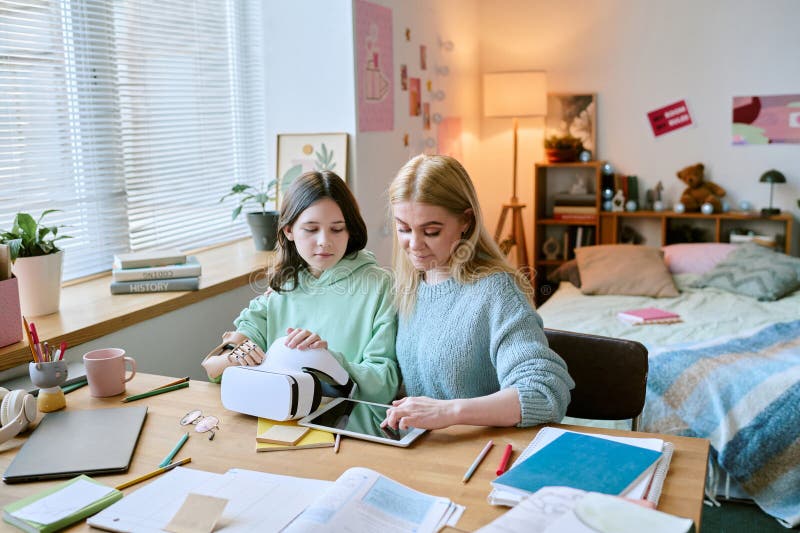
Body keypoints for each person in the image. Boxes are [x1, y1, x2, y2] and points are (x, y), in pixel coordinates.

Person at [383, 155, 574, 430]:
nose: (414, 244)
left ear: (465, 221)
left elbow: (543, 392)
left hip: (481, 454)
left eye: (431, 231)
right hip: (422, 453)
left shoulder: (497, 291)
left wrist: (450, 411)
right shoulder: (408, 286)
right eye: (403, 228)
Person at [202, 171, 399, 404]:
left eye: (337, 229)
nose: (324, 241)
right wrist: (234, 358)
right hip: (277, 419)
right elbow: (214, 368)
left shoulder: (380, 286)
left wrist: (327, 361)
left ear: (350, 230)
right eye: (311, 229)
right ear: (289, 230)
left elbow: (385, 385)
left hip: (347, 426)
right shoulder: (281, 288)